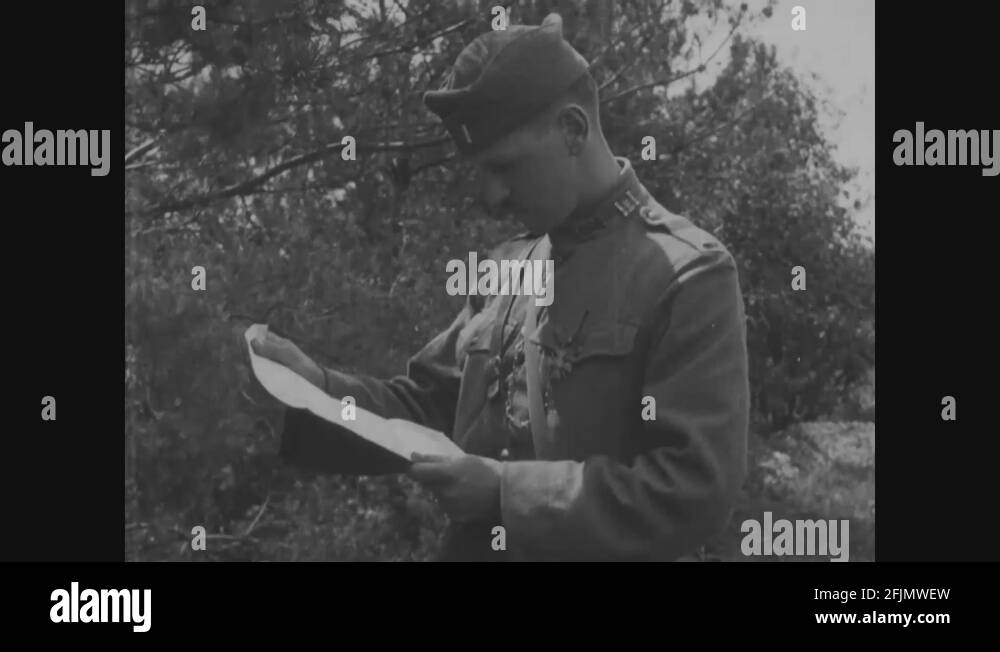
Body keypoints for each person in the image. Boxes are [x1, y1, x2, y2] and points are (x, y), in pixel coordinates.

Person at [251, 13, 749, 561]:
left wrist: (505, 494)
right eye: (480, 171)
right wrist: (317, 391)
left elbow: (693, 488)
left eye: (506, 167)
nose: (490, 197)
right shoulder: (510, 267)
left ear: (573, 130)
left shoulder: (687, 275)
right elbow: (428, 407)